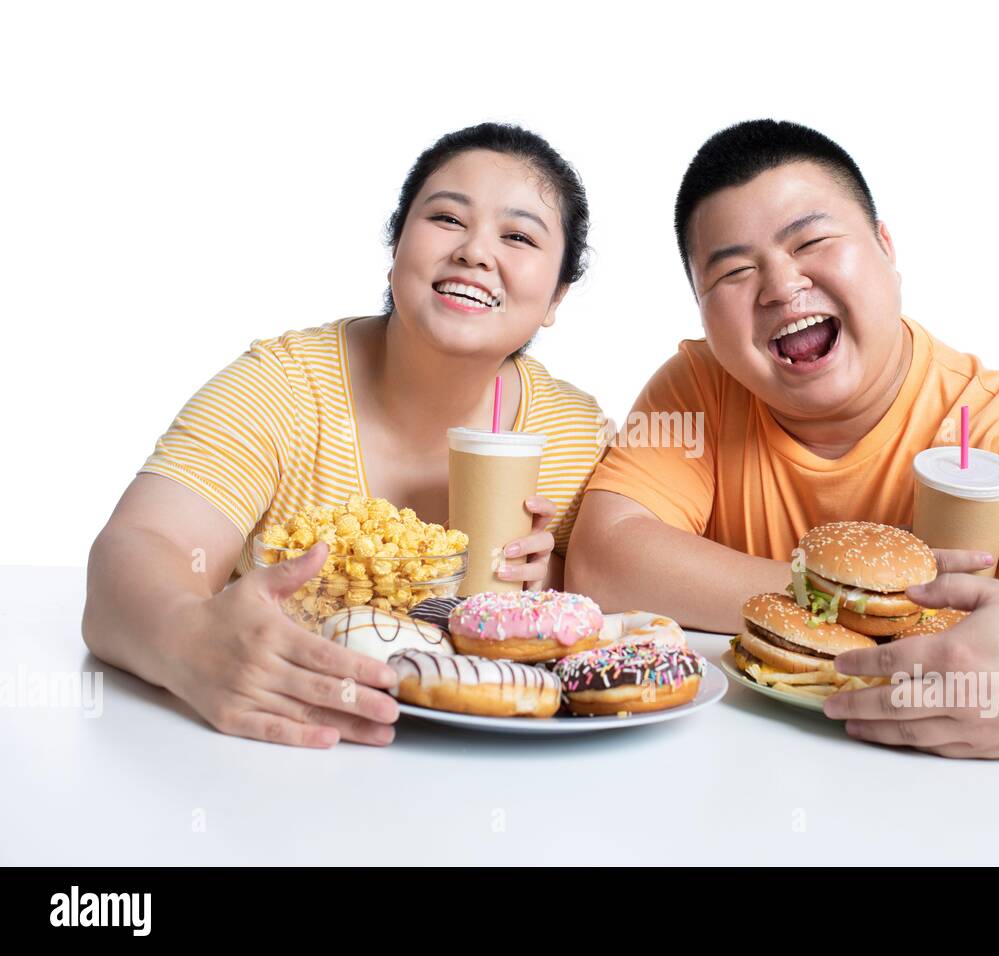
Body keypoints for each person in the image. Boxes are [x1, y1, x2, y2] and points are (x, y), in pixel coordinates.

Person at [568, 119, 999, 758]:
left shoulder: (991, 434)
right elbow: (605, 562)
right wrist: (867, 609)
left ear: (885, 247)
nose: (781, 286)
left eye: (811, 241)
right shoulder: (701, 390)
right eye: (734, 273)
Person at [84, 123, 607, 748]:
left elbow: (616, 602)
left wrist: (555, 585)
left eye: (518, 236)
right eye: (446, 218)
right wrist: (189, 639)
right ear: (396, 247)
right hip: (277, 770)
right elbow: (136, 550)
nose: (474, 252)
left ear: (557, 296)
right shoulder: (282, 387)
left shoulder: (571, 433)